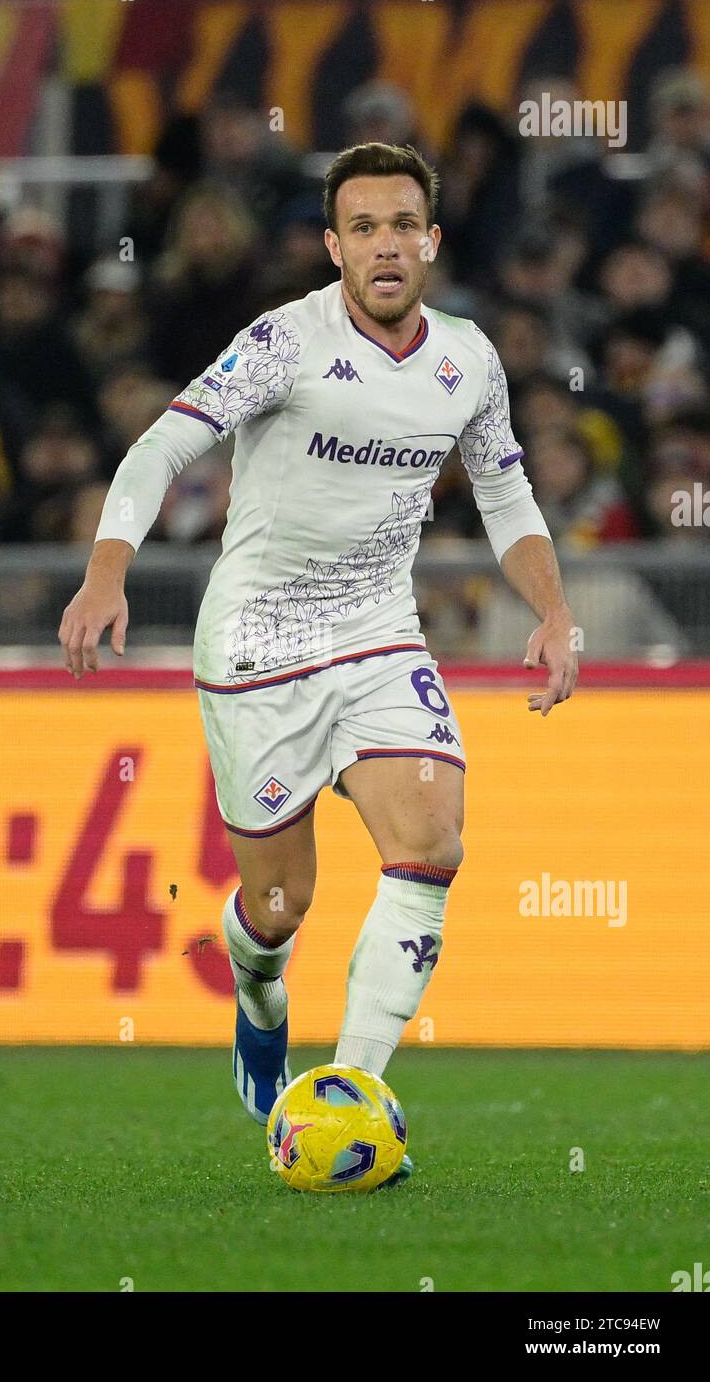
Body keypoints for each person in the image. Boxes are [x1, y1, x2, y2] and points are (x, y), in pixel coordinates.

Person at [58, 143, 578, 1182]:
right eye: (365, 229)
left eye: (404, 226)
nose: (387, 246)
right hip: (256, 644)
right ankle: (260, 999)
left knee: (432, 839)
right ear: (335, 246)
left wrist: (555, 614)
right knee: (280, 906)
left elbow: (507, 494)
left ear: (430, 241)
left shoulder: (468, 360)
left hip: (380, 632)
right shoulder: (280, 344)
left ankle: (348, 1093)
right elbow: (160, 447)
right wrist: (105, 572)